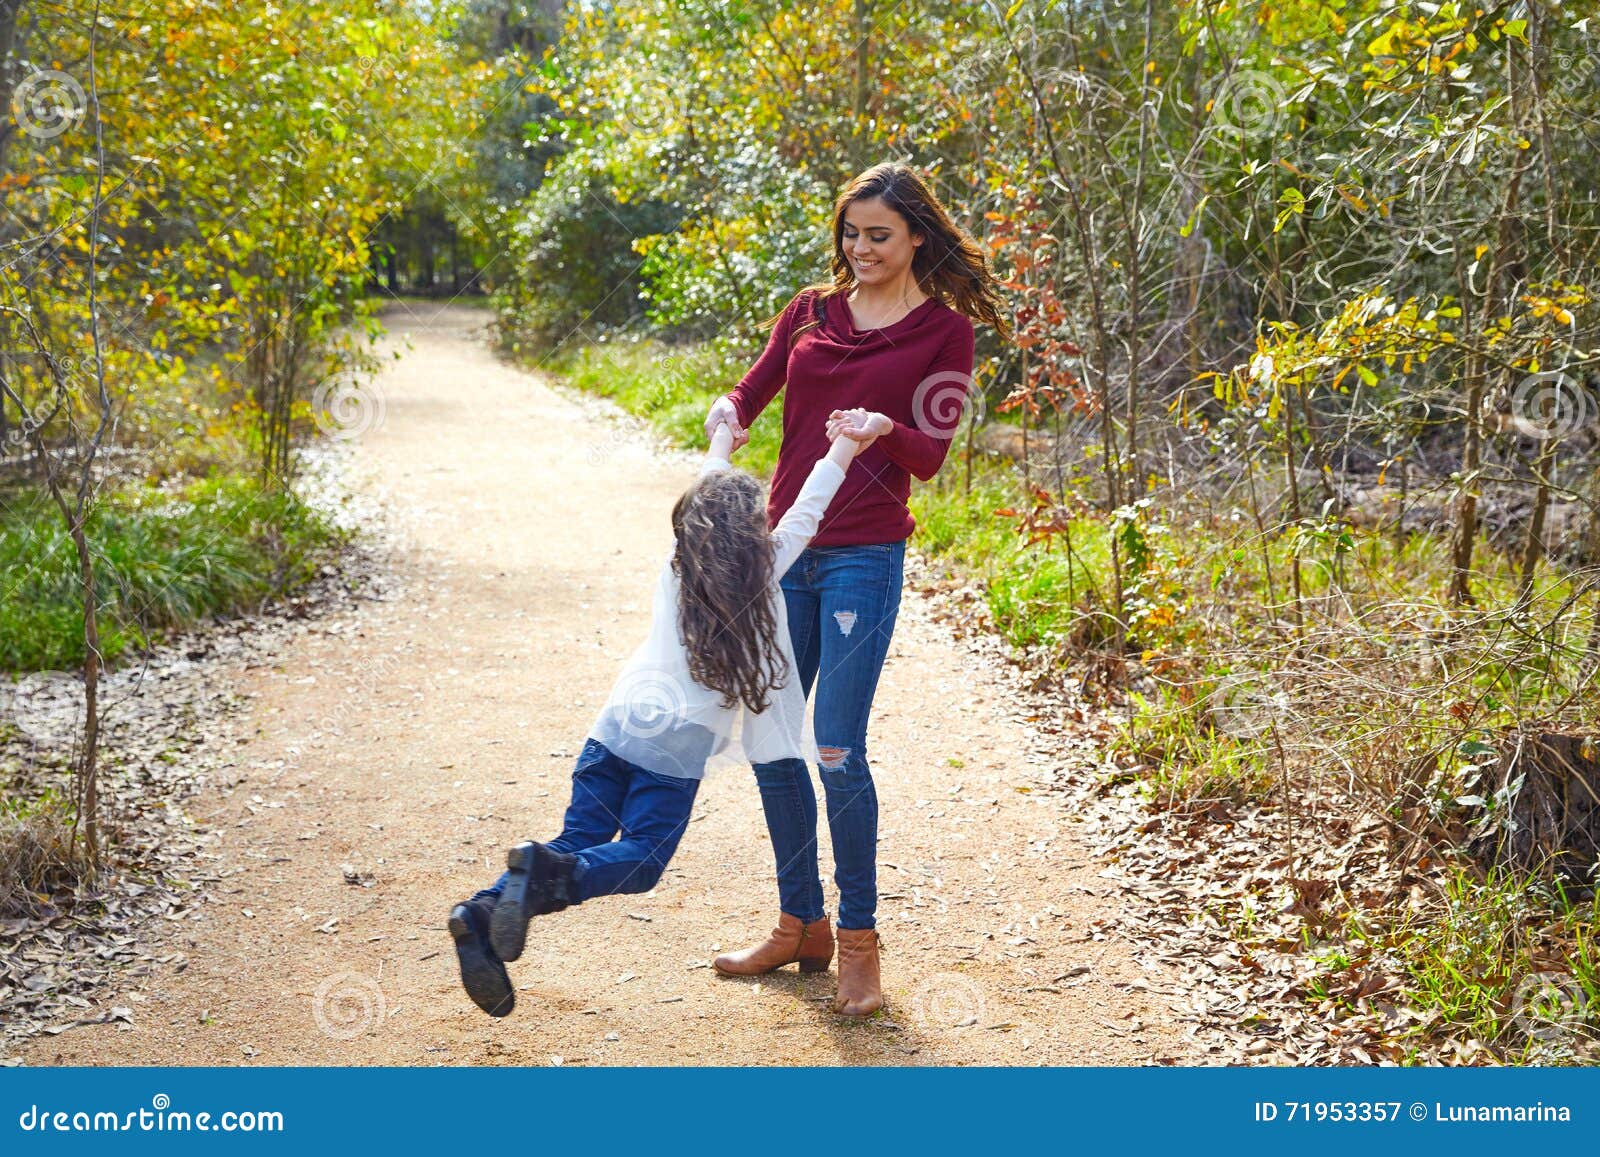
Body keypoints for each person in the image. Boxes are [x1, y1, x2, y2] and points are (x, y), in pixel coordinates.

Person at [448, 411, 882, 1017]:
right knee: (644, 858)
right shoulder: (762, 572)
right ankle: (548, 871)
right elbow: (807, 511)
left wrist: (722, 442)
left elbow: (710, 488)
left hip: (613, 729)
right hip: (670, 752)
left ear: (692, 528)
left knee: (581, 840)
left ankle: (480, 912)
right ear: (755, 533)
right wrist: (842, 451)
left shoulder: (678, 566)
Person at [704, 161, 1009, 1016]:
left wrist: (884, 429)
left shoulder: (944, 334)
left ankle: (860, 943)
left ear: (918, 235)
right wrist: (728, 412)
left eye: (879, 234)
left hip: (864, 554)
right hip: (784, 550)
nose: (861, 248)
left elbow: (933, 451)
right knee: (771, 737)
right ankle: (801, 920)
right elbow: (754, 388)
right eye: (851, 233)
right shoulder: (808, 311)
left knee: (835, 744)